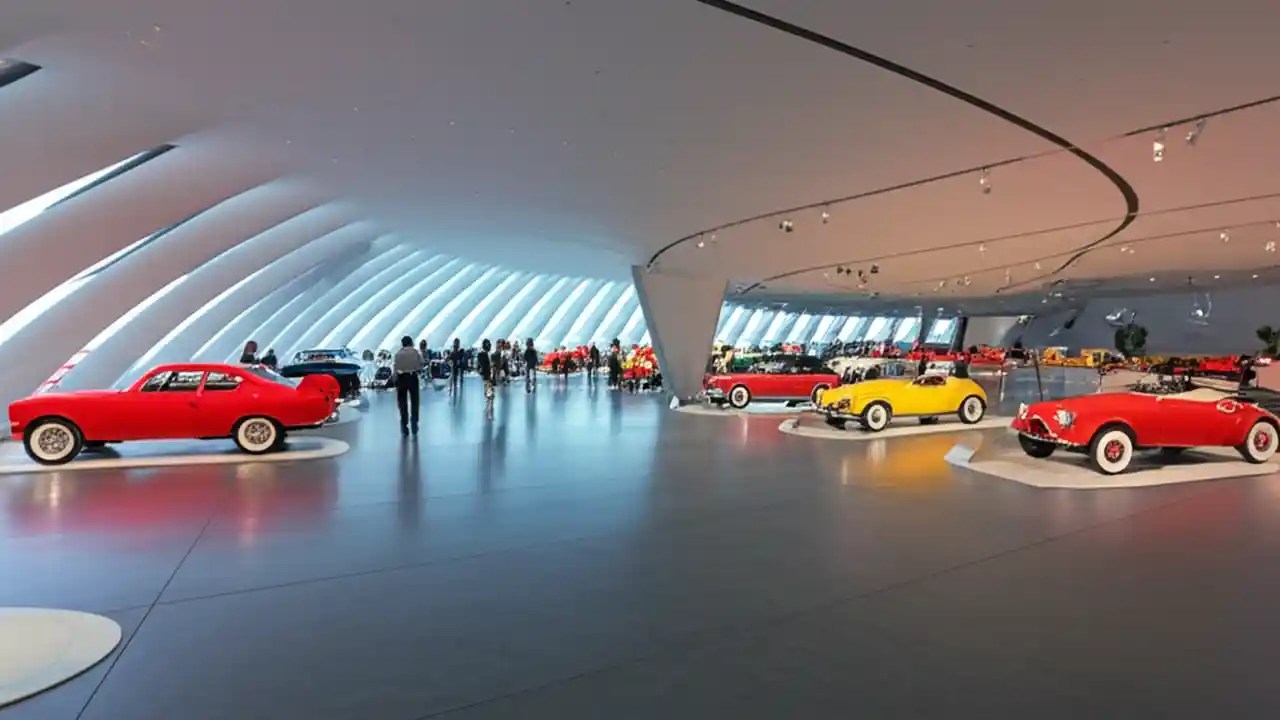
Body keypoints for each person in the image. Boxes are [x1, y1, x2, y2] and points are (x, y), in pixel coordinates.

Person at [393, 336, 423, 435]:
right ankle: (414, 422)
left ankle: (404, 424)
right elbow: (420, 366)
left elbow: (396, 368)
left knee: (402, 403)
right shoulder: (415, 353)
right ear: (411, 342)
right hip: (412, 377)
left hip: (401, 378)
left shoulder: (398, 354)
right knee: (415, 401)